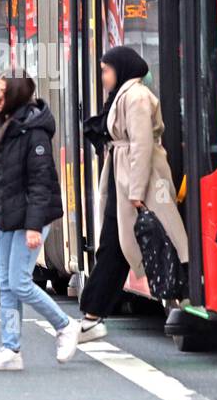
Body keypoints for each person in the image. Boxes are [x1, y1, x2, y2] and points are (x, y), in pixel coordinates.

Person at [78, 46, 189, 343]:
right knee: (118, 246)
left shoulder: (136, 97)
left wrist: (137, 191)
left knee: (157, 241)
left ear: (121, 69)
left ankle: (183, 299)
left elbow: (141, 145)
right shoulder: (125, 95)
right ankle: (92, 314)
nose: (103, 77)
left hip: (140, 182)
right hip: (125, 178)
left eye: (106, 70)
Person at [0, 74, 79, 371]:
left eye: (2, 92)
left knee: (18, 282)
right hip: (7, 215)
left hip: (30, 217)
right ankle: (10, 348)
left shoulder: (34, 132)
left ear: (17, 93)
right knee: (6, 284)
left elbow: (41, 183)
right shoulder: (3, 125)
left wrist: (34, 226)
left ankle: (65, 325)